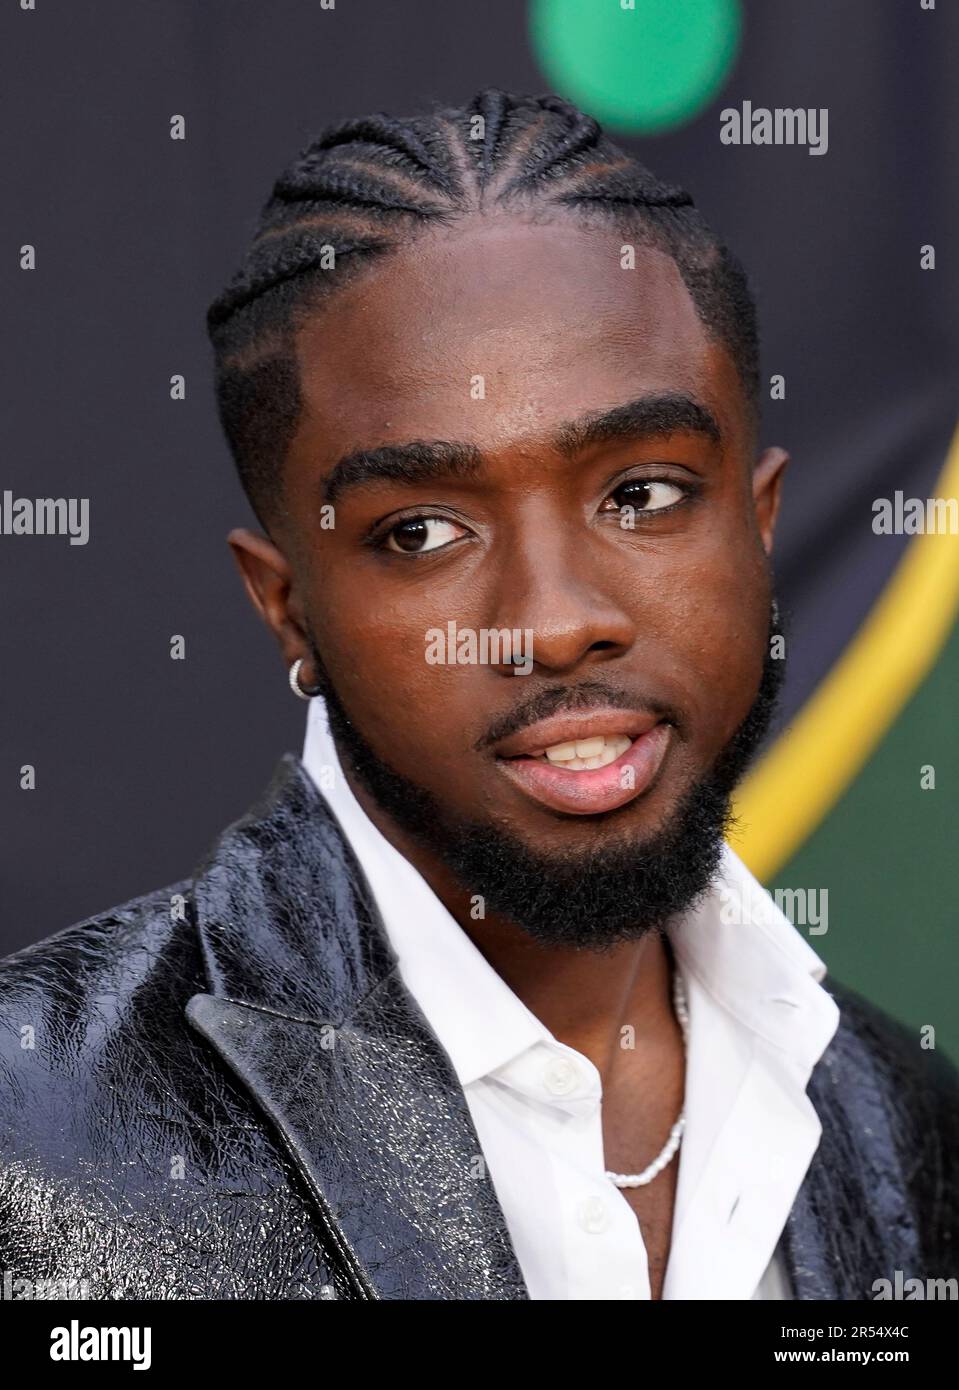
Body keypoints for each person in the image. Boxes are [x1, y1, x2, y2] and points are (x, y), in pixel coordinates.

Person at [1, 89, 956, 1301]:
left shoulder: (909, 1133)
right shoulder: (32, 1141)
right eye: (422, 531)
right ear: (286, 605)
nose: (555, 623)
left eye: (645, 496)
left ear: (757, 525)